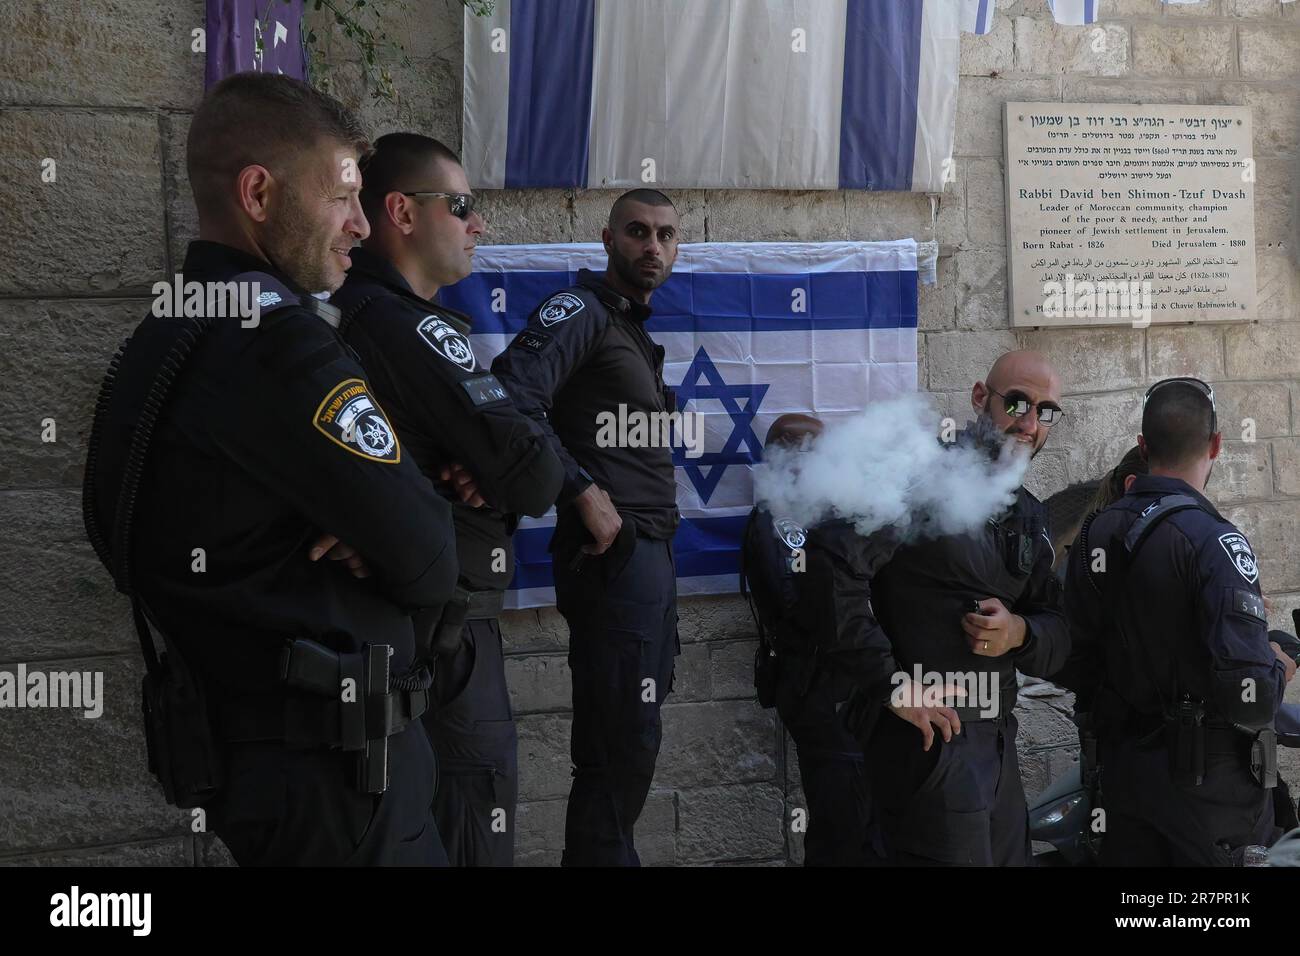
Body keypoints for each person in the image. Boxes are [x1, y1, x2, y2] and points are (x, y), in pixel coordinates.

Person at [82, 73, 458, 866]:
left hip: (264, 768)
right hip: (343, 784)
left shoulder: (168, 327)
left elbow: (115, 533)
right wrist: (371, 534)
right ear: (258, 192)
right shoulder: (279, 343)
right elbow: (428, 555)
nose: (361, 226)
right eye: (343, 199)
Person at [330, 133, 564, 865]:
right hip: (440, 644)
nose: (477, 224)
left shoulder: (346, 311)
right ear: (400, 211)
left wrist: (488, 463)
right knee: (469, 829)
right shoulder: (408, 326)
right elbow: (533, 474)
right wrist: (498, 465)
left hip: (393, 637)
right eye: (460, 206)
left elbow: (511, 462)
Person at [491, 189, 681, 866]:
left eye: (664, 235)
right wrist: (580, 491)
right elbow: (511, 393)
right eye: (637, 232)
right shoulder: (580, 310)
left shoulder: (629, 325)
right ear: (607, 239)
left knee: (634, 743)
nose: (651, 246)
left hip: (650, 557)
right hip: (613, 558)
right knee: (614, 748)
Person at [1063, 383, 1296, 864]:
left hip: (1123, 777)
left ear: (1144, 447)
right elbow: (1250, 697)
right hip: (1208, 792)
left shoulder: (1098, 531)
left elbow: (1073, 656)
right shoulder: (1215, 541)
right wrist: (1277, 666)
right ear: (1216, 445)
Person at [863, 350, 1070, 865]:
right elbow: (831, 582)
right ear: (981, 398)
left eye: (1045, 411)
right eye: (1017, 402)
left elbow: (1060, 626)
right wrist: (888, 684)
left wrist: (1019, 631)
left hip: (997, 746)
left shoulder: (1029, 513)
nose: (1028, 423)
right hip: (927, 743)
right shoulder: (916, 481)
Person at [742, 414, 960, 865]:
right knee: (843, 822)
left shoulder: (819, 516)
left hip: (842, 689)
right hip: (819, 688)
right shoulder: (781, 521)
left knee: (865, 816)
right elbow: (805, 601)